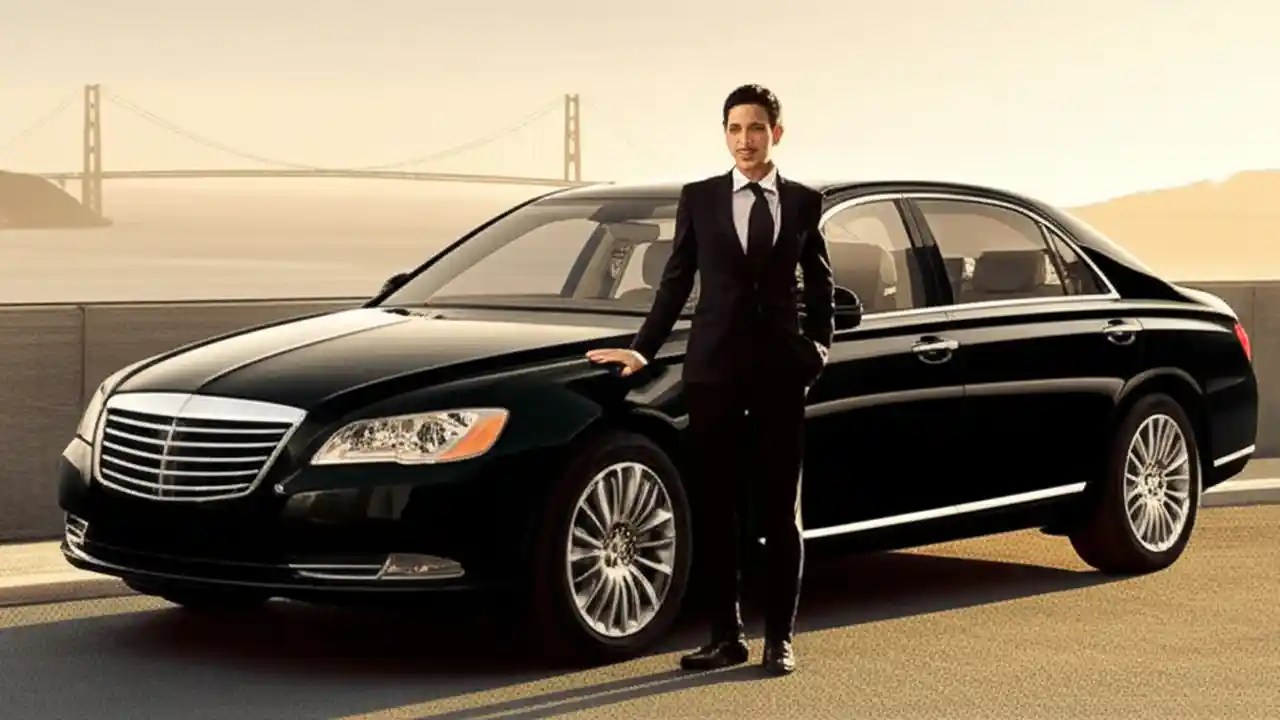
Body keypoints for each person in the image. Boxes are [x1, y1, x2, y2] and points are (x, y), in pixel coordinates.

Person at [585, 83, 835, 676]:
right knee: (717, 510)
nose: (744, 140)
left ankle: (780, 640)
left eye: (755, 128)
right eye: (734, 129)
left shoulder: (804, 202)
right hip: (713, 373)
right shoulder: (699, 198)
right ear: (724, 133)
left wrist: (816, 351)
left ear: (776, 133)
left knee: (780, 513)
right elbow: (676, 279)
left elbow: (822, 283)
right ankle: (727, 637)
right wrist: (642, 350)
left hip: (779, 377)